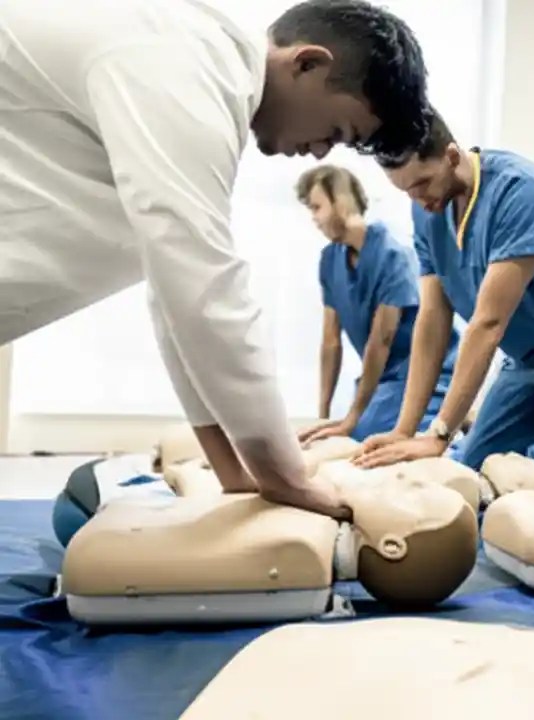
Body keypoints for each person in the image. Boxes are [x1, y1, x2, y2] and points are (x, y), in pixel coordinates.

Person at [0, 0, 431, 518]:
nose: (321, 154)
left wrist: (233, 468)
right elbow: (204, 289)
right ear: (308, 64)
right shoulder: (183, 69)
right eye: (337, 132)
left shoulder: (198, 72)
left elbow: (174, 291)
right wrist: (284, 477)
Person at [353, 112, 534, 489]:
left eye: (423, 183)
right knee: (469, 468)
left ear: (451, 156)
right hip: (525, 355)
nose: (419, 199)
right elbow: (432, 320)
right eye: (407, 191)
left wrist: (440, 432)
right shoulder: (426, 210)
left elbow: (488, 324)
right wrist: (405, 431)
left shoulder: (521, 190)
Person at [293, 165, 460, 444]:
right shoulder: (330, 259)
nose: (314, 219)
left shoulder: (392, 254)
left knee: (365, 434)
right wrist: (322, 416)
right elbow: (331, 342)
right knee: (332, 433)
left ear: (342, 201)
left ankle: (453, 419)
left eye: (317, 208)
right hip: (384, 380)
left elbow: (381, 341)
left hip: (422, 376)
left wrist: (352, 419)